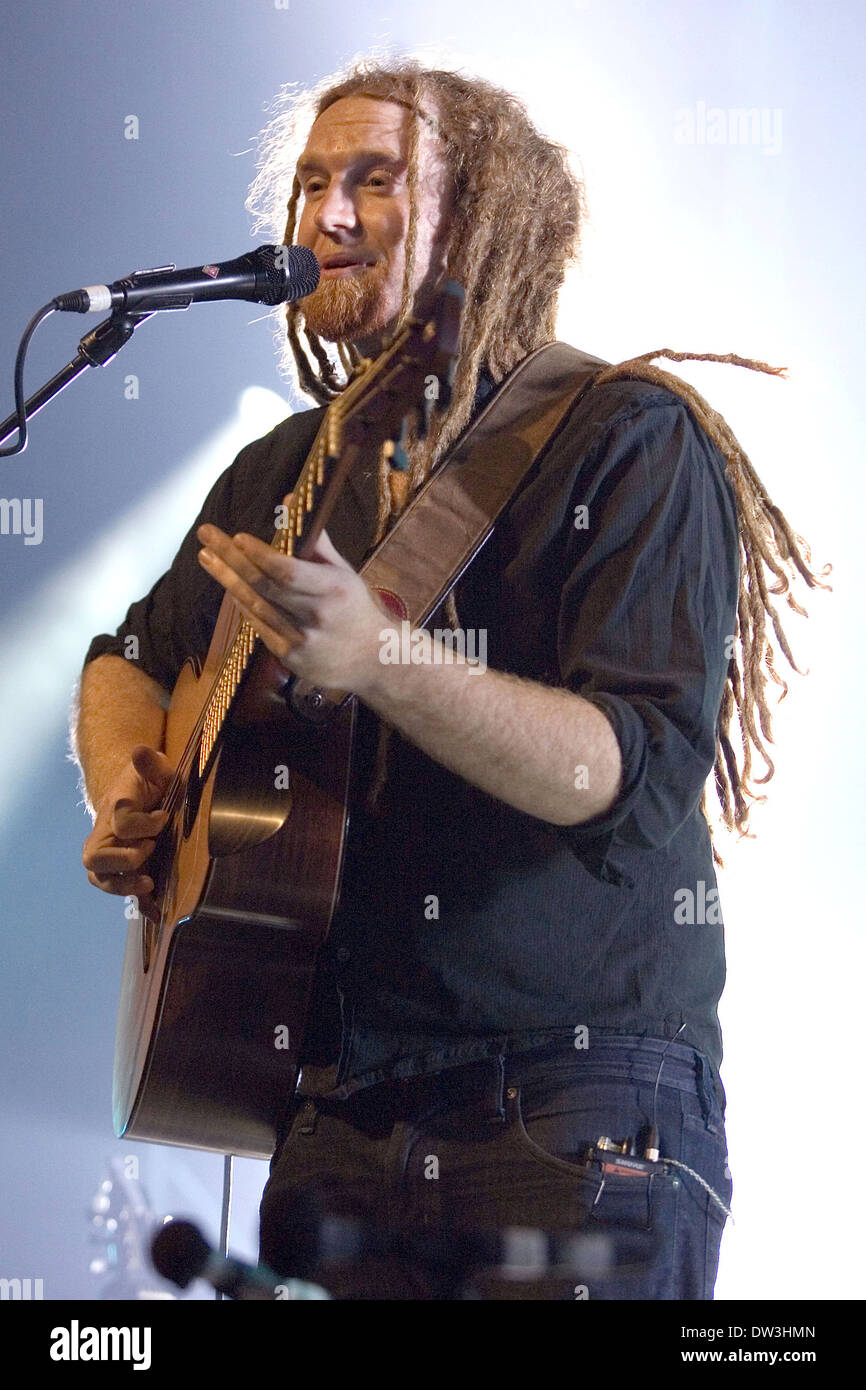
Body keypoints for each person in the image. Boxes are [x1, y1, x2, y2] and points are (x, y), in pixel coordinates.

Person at [73, 58, 827, 1300]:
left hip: (566, 1110)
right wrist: (127, 786)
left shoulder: (622, 436)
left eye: (374, 182)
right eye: (312, 185)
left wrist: (380, 661)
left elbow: (620, 769)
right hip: (328, 1118)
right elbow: (129, 661)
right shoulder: (278, 469)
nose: (326, 217)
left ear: (480, 217)